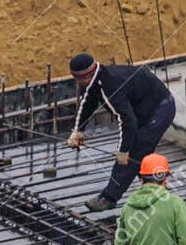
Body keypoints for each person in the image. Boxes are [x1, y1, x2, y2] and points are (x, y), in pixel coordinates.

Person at [66, 53, 176, 212]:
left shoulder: (110, 86)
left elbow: (128, 121)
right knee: (141, 156)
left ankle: (108, 198)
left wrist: (123, 150)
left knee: (132, 154)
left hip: (160, 109)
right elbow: (87, 102)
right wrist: (78, 131)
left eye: (78, 79)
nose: (77, 82)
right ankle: (158, 192)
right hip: (144, 109)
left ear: (86, 76)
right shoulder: (95, 79)